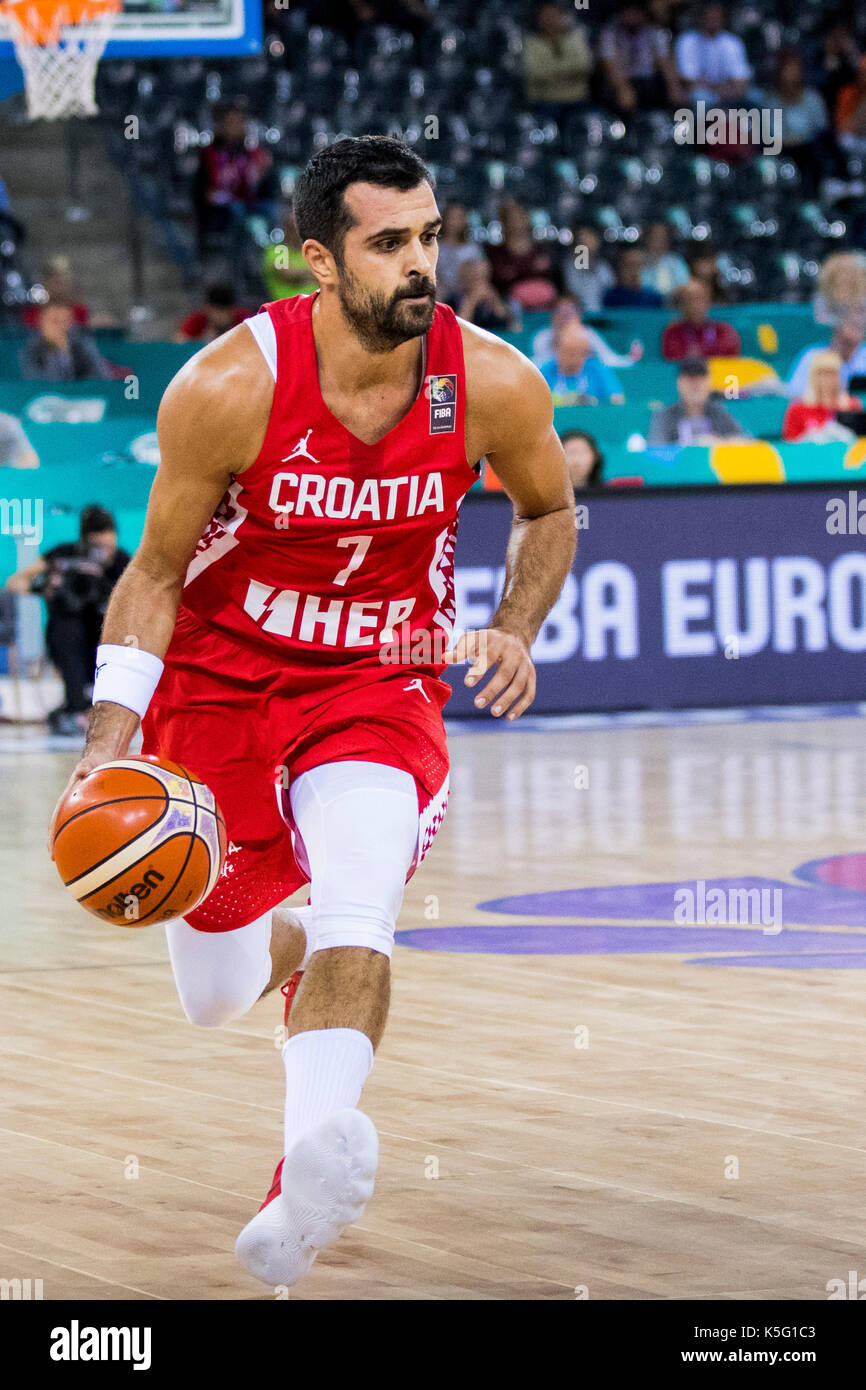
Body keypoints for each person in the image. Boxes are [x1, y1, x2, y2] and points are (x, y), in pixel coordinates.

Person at [48, 135, 576, 1292]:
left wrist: (514, 630)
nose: (420, 263)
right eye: (388, 242)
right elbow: (152, 573)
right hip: (220, 685)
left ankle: (304, 1175)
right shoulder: (230, 386)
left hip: (378, 681)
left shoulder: (488, 378)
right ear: (318, 264)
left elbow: (547, 510)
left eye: (430, 235)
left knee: (359, 897)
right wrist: (105, 744)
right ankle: (279, 952)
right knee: (212, 995)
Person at [6, 505, 130, 736]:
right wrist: (45, 587)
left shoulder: (121, 561)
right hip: (67, 635)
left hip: (103, 635)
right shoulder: (64, 555)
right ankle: (76, 707)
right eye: (97, 546)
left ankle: (88, 707)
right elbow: (16, 582)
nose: (103, 553)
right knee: (68, 626)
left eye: (107, 546)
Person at [193, 102, 278, 258]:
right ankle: (239, 261)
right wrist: (214, 197)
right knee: (238, 212)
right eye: (231, 123)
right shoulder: (208, 153)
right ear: (220, 125)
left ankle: (271, 260)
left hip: (248, 203)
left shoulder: (252, 153)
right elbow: (202, 193)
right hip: (220, 211)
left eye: (240, 122)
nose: (236, 127)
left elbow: (262, 190)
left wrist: (261, 175)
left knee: (272, 211)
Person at [761, 52, 830, 197]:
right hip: (784, 151)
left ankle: (815, 197)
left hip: (810, 151)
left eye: (795, 69)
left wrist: (803, 138)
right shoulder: (771, 101)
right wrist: (790, 140)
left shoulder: (813, 98)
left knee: (816, 152)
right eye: (788, 69)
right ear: (779, 73)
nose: (792, 74)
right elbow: (771, 134)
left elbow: (822, 129)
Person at [599, 0, 683, 115]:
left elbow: (664, 61)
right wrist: (622, 88)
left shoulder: (654, 30)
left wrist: (674, 87)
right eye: (628, 11)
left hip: (648, 82)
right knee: (617, 95)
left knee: (671, 94)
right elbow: (609, 64)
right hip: (622, 81)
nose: (631, 15)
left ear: (643, 13)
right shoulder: (610, 32)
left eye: (635, 11)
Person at [647, 356, 748, 446]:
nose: (696, 386)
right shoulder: (665, 416)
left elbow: (743, 442)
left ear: (709, 382)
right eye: (690, 380)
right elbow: (656, 449)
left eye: (701, 379)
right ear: (679, 383)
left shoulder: (720, 414)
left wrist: (717, 442)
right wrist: (693, 444)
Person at [522, 1, 594, 125]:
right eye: (545, 15)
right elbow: (533, 72)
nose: (550, 20)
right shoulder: (530, 42)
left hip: (577, 101)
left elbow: (584, 65)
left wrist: (553, 73)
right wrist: (570, 73)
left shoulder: (576, 37)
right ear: (538, 18)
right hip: (544, 103)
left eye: (554, 15)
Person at [485, 200, 563, 311]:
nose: (516, 222)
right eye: (511, 218)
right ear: (504, 222)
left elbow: (558, 280)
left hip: (548, 310)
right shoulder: (495, 253)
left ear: (527, 218)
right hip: (509, 311)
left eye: (520, 216)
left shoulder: (544, 248)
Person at [531, 294, 643, 366]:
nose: (564, 317)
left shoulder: (588, 334)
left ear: (579, 315)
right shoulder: (541, 336)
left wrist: (629, 359)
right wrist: (557, 340)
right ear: (553, 315)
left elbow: (609, 358)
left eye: (569, 313)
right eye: (561, 312)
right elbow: (537, 364)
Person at [675, 2, 749, 106]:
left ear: (723, 18)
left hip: (729, 93)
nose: (712, 18)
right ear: (701, 16)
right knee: (701, 98)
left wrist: (727, 91)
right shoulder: (687, 40)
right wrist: (718, 89)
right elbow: (689, 81)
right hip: (701, 94)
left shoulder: (733, 42)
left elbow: (740, 81)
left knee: (758, 98)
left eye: (716, 15)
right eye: (709, 14)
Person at [19, 301, 112, 381]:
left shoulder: (83, 345)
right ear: (42, 323)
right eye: (55, 321)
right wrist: (57, 349)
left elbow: (102, 377)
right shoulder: (30, 351)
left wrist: (65, 350)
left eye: (65, 322)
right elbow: (39, 383)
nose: (61, 327)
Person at [782, 351, 862, 442]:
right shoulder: (797, 409)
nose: (827, 379)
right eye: (821, 374)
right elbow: (789, 445)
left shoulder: (852, 406)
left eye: (832, 373)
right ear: (812, 376)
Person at [538, 323, 625, 404]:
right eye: (571, 353)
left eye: (582, 353)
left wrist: (594, 401)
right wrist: (568, 400)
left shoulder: (597, 369)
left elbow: (618, 399)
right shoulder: (544, 372)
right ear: (557, 351)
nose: (576, 358)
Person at [787, 314, 866, 398]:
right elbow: (794, 393)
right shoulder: (812, 356)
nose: (848, 349)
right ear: (835, 333)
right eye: (845, 342)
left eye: (853, 345)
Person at [661, 278, 741, 360]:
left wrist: (696, 353)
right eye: (689, 300)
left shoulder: (725, 330)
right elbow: (674, 358)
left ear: (708, 301)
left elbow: (730, 358)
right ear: (681, 305)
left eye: (699, 299)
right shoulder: (672, 333)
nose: (695, 305)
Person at [262, 208, 320, 301]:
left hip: (314, 307)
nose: (296, 232)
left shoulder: (313, 251)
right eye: (292, 227)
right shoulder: (278, 251)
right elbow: (289, 274)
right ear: (286, 229)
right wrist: (315, 275)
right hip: (284, 310)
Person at [434, 201, 483, 306]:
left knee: (481, 290)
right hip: (442, 291)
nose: (455, 222)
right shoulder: (435, 247)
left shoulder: (472, 248)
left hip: (468, 291)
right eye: (452, 217)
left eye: (459, 217)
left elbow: (481, 271)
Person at [562, 223, 615, 312]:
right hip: (579, 316)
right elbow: (572, 292)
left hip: (605, 316)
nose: (585, 241)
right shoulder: (570, 265)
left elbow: (610, 288)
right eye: (581, 239)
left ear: (597, 240)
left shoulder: (603, 265)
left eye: (589, 237)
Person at [455, 258, 514, 332]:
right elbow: (458, 329)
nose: (481, 284)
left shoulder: (499, 296)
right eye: (476, 278)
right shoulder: (453, 301)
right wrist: (471, 302)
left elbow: (508, 323)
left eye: (484, 278)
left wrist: (494, 300)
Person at [176, 285, 250, 343]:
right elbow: (180, 342)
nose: (221, 317)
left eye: (225, 312)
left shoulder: (244, 319)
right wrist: (202, 341)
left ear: (233, 309)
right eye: (218, 312)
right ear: (208, 308)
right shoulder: (197, 320)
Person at [813, 252, 866, 327]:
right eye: (842, 272)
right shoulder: (823, 296)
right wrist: (843, 322)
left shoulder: (862, 295)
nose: (847, 276)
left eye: (851, 272)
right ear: (832, 274)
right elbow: (820, 319)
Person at [641, 221, 690, 301]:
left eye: (662, 236)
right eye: (655, 236)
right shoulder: (638, 260)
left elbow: (685, 286)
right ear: (647, 238)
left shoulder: (676, 261)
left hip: (672, 306)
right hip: (644, 306)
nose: (659, 240)